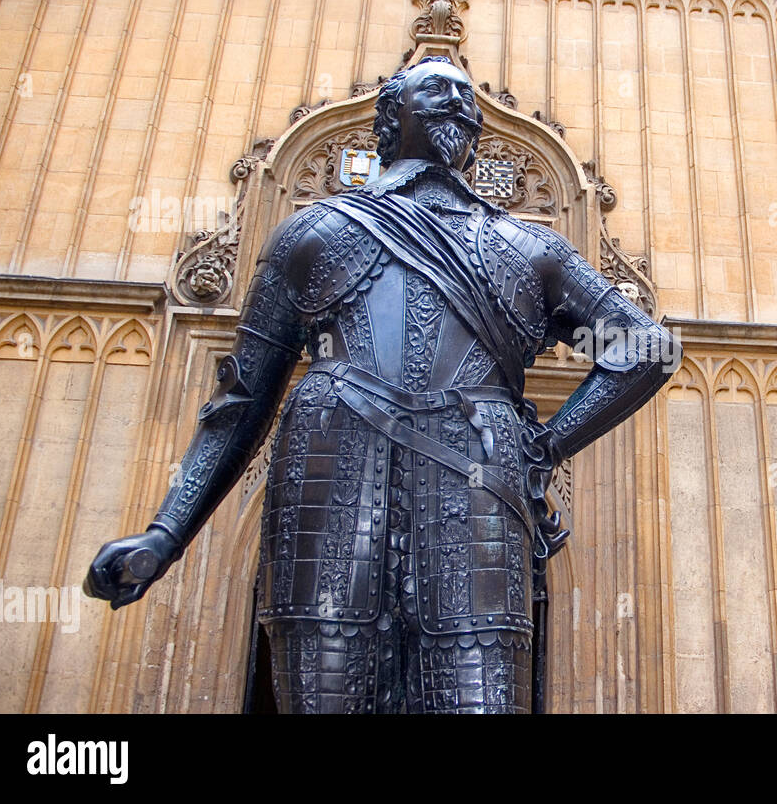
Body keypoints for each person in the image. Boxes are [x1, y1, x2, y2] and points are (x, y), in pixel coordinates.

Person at [85, 56, 680, 713]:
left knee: (475, 692)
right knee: (327, 690)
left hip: (473, 490)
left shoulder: (529, 247)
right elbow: (241, 401)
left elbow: (646, 346)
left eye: (466, 96)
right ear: (393, 117)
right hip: (331, 481)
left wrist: (549, 444)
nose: (457, 102)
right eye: (436, 91)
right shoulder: (316, 233)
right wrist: (166, 532)